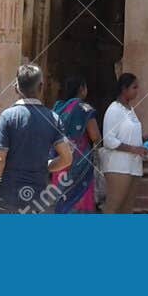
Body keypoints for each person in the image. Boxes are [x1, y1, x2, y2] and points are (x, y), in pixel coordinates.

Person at [0, 63, 73, 214]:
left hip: (5, 198)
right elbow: (67, 158)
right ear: (41, 87)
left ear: (16, 87)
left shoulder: (7, 117)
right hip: (37, 199)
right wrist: (45, 165)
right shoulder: (53, 119)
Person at [51, 75, 101, 213]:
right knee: (80, 203)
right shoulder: (83, 108)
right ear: (82, 89)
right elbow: (95, 135)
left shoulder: (58, 108)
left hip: (60, 162)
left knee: (62, 200)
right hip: (80, 163)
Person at [101, 72, 146, 213]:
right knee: (113, 207)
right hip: (118, 166)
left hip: (134, 166)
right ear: (124, 89)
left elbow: (126, 134)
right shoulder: (114, 109)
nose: (137, 91)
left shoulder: (130, 110)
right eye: (134, 87)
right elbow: (108, 140)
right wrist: (134, 149)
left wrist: (142, 140)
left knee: (127, 209)